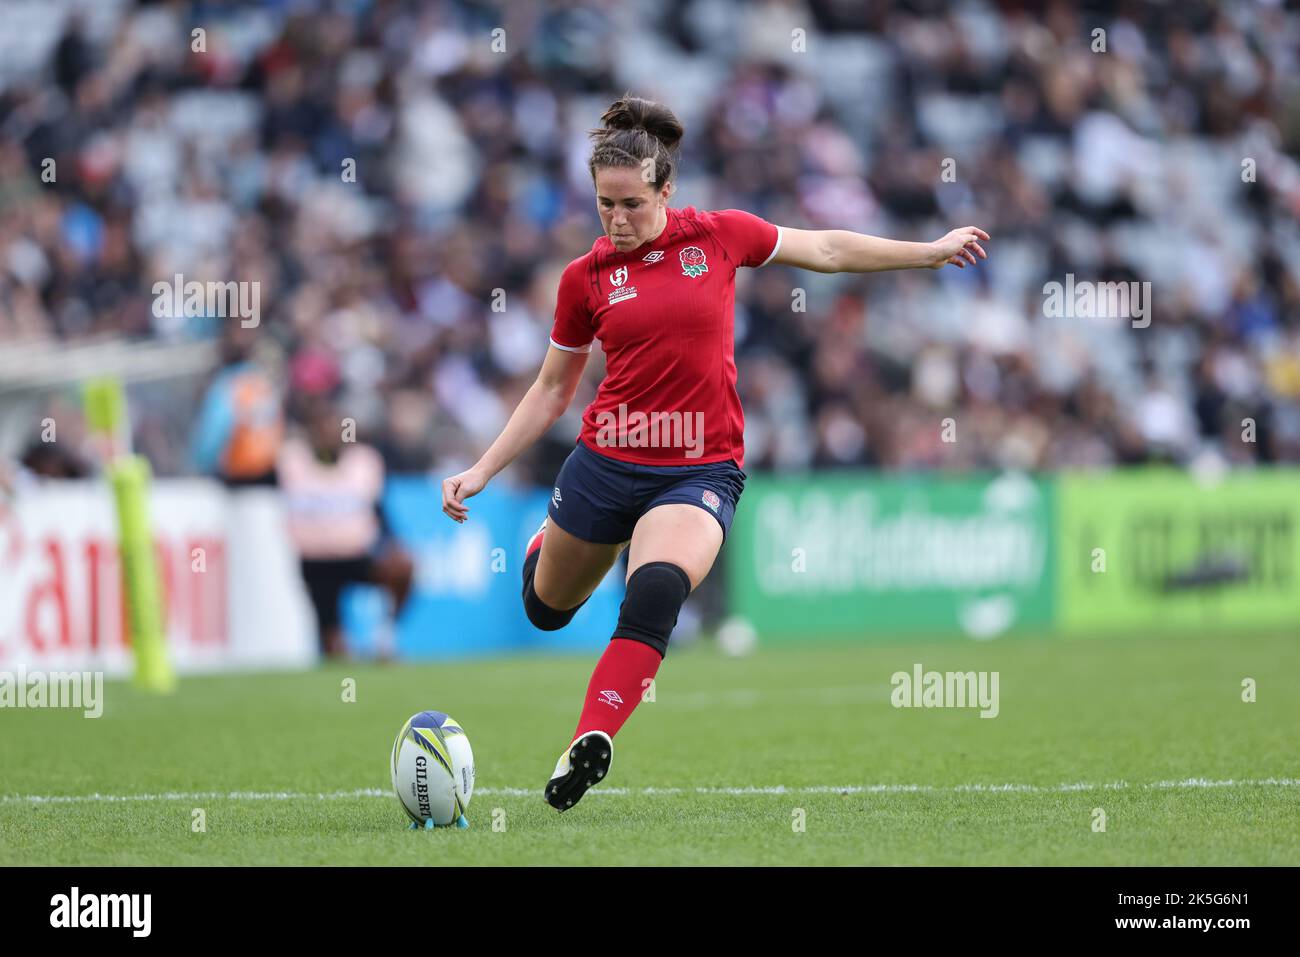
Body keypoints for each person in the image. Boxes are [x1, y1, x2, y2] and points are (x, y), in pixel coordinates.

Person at [440, 94, 989, 811]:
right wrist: (482, 468)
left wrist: (927, 252)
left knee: (658, 587)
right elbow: (550, 389)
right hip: (606, 463)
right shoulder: (586, 278)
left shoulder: (720, 237)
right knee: (547, 610)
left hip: (699, 468)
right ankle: (552, 545)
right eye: (605, 205)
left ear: (666, 190)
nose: (618, 219)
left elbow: (822, 249)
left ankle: (589, 740)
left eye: (632, 203)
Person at [279, 397, 413, 659]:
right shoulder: (291, 460)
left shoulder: (363, 462)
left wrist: (392, 542)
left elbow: (378, 509)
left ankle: (385, 636)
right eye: (321, 428)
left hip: (356, 556)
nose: (328, 433)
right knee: (335, 650)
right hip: (316, 564)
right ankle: (339, 650)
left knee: (402, 567)